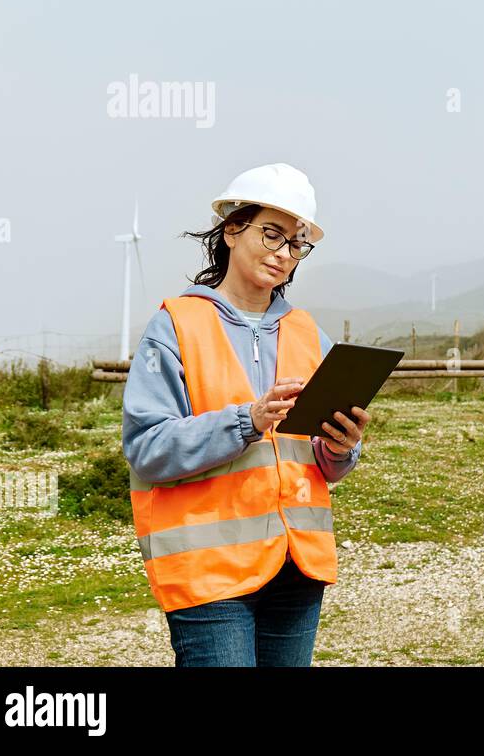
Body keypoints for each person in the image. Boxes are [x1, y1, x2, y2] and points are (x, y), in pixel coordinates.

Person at [121, 162, 370, 666]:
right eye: (272, 234)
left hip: (296, 569)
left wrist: (341, 449)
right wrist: (246, 421)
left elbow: (320, 462)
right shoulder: (175, 326)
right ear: (232, 228)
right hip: (209, 575)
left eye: (297, 244)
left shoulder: (307, 333)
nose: (284, 254)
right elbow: (146, 449)